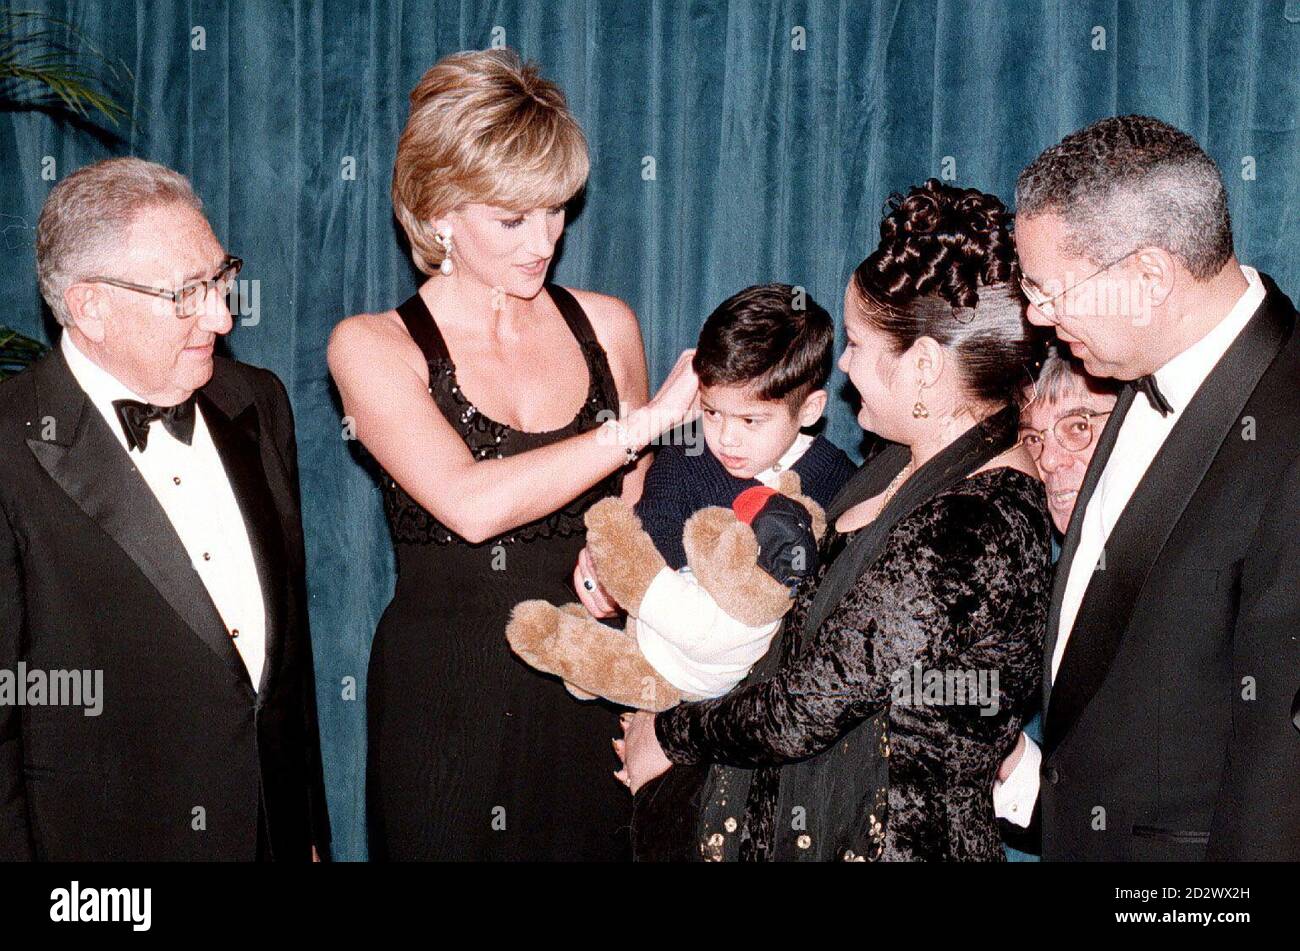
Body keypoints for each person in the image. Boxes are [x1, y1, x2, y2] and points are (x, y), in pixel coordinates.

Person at [328, 49, 697, 860]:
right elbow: (470, 504)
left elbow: (636, 508)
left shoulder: (607, 324)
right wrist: (636, 427)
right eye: (512, 219)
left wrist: (620, 562)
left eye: (557, 209)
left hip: (591, 681)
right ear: (438, 213)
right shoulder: (372, 345)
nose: (545, 241)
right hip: (446, 699)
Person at [620, 180, 1052, 861]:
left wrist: (671, 734)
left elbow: (809, 704)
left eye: (855, 343)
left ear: (925, 365)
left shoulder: (976, 524)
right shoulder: (899, 460)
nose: (843, 366)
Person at [0, 157, 329, 861]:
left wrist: (307, 832)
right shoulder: (8, 445)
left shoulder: (258, 401)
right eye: (186, 293)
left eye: (220, 277)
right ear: (90, 306)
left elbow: (287, 659)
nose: (222, 315)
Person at [1004, 114, 1300, 860]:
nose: (1036, 315)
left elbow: (1280, 781)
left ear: (1149, 277)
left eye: (1051, 290)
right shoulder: (1132, 370)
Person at [573, 283, 858, 702]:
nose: (726, 438)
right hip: (668, 678)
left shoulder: (841, 483)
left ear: (810, 409)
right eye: (712, 412)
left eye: (750, 421)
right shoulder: (684, 459)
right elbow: (649, 553)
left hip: (768, 702)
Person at [998, 347, 1120, 858]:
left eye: (1077, 427)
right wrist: (1002, 751)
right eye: (1034, 439)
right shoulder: (1048, 583)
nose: (1048, 461)